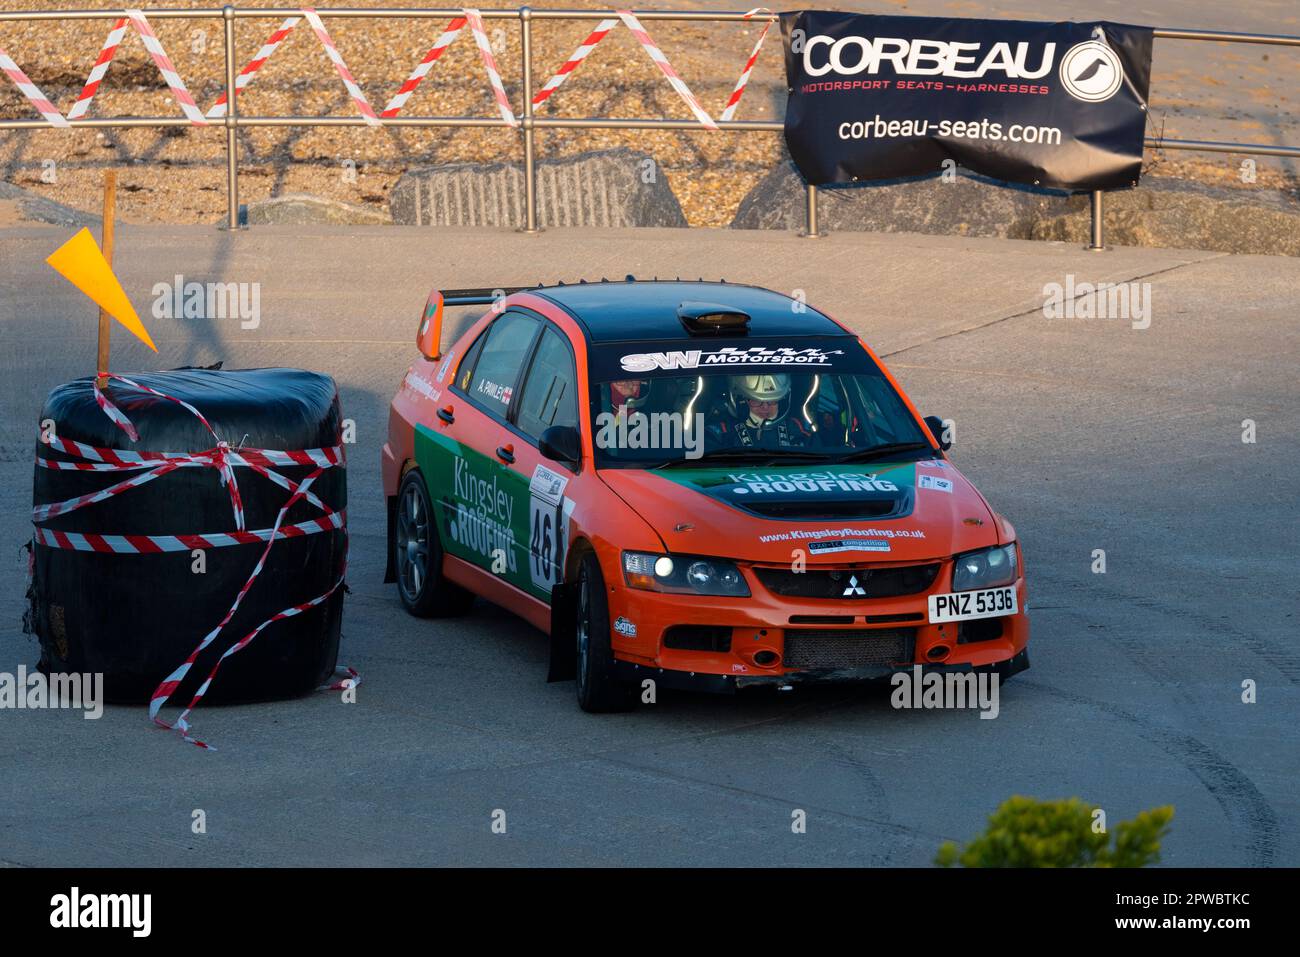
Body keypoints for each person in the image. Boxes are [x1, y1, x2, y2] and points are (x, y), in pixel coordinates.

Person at [717, 373, 809, 448]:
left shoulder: (797, 428)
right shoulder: (721, 431)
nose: (765, 407)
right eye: (756, 401)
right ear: (740, 401)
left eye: (772, 401)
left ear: (782, 401)